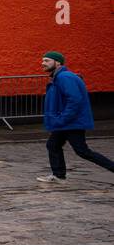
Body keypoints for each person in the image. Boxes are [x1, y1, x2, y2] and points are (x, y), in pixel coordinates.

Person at [38, 50, 114, 183]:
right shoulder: (58, 77)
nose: (42, 63)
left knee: (82, 151)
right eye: (43, 60)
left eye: (47, 60)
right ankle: (58, 175)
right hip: (65, 122)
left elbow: (75, 100)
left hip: (71, 122)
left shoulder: (65, 77)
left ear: (58, 62)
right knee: (53, 145)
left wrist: (62, 119)